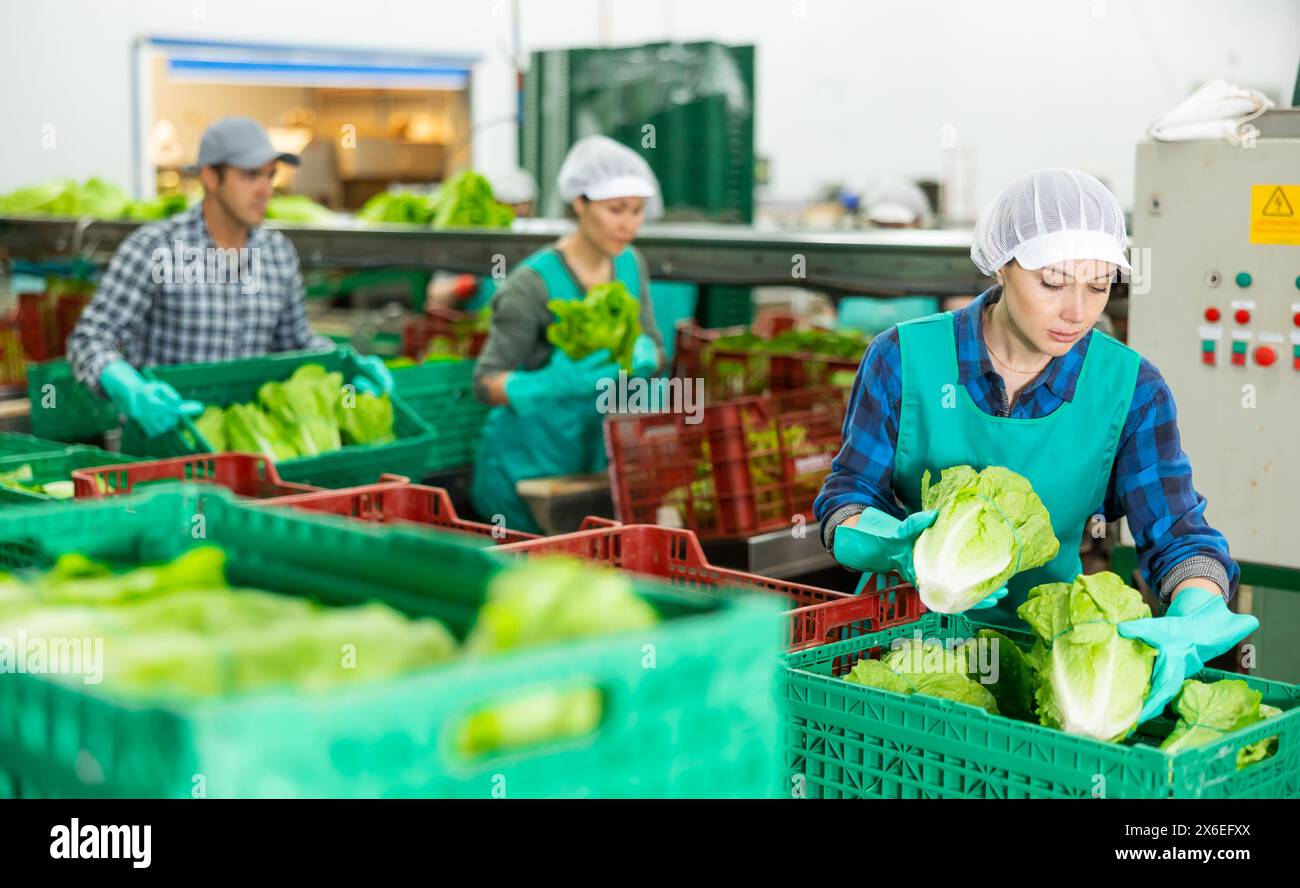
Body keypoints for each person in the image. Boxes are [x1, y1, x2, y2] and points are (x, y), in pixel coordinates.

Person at [814, 169, 1256, 724]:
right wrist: (889, 544)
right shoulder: (901, 357)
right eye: (1053, 281)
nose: (1077, 311)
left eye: (1099, 286)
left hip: (1050, 661)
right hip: (901, 640)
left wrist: (1199, 606)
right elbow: (846, 499)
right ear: (1003, 264)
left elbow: (1178, 534)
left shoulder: (1131, 388)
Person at [68, 116, 391, 437]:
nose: (265, 189)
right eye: (251, 175)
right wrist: (132, 391)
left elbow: (296, 343)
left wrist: (345, 365)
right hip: (165, 440)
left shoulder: (277, 254)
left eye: (270, 175)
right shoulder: (155, 248)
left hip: (245, 440)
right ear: (210, 176)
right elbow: (90, 339)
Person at [470, 136, 665, 533]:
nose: (629, 224)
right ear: (579, 202)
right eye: (616, 210)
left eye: (638, 210)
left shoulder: (630, 264)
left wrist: (647, 354)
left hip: (594, 460)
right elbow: (485, 382)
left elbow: (656, 346)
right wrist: (548, 383)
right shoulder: (531, 284)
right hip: (528, 469)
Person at [838, 177, 971, 335]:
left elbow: (966, 317)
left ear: (920, 224)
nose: (888, 233)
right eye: (880, 225)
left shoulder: (938, 274)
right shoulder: (848, 270)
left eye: (897, 226)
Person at [426, 168, 539, 312]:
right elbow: (435, 295)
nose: (521, 211)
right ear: (492, 204)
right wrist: (459, 287)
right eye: (513, 205)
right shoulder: (470, 243)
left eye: (526, 205)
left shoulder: (536, 245)